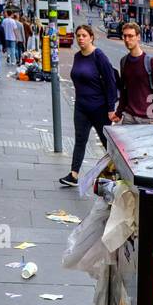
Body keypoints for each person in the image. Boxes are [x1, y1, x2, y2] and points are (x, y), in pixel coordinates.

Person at [59, 24, 118, 187]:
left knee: (107, 143)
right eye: (78, 36)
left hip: (99, 108)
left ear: (91, 37)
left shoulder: (99, 56)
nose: (80, 38)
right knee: (79, 140)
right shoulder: (78, 56)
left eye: (84, 35)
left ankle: (118, 173)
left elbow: (111, 82)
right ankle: (73, 174)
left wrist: (111, 108)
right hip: (81, 107)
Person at [115, 21, 153, 125]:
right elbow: (124, 91)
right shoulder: (124, 61)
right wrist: (119, 113)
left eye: (131, 36)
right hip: (129, 117)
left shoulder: (149, 61)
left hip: (147, 118)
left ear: (138, 37)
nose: (127, 40)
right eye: (125, 36)